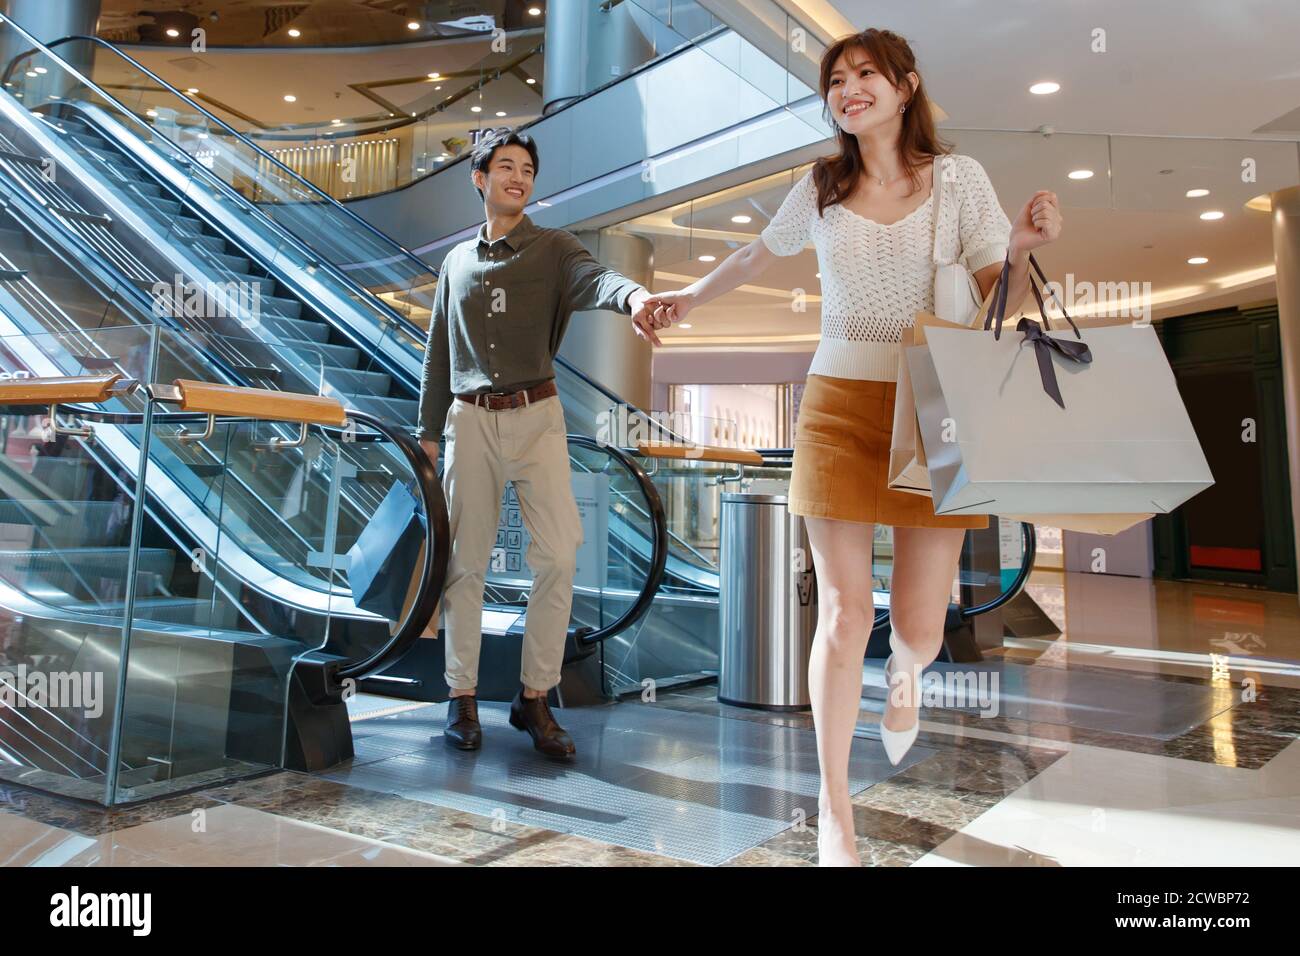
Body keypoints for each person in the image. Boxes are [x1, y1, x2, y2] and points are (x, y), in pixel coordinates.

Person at [646, 29, 1062, 863]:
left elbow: (999, 303)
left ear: (907, 86)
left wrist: (1019, 250)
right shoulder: (822, 185)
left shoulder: (960, 180)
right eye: (836, 80)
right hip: (836, 402)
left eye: (865, 74)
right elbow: (759, 252)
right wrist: (689, 296)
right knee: (843, 613)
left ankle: (906, 676)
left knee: (919, 625)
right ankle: (834, 809)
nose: (848, 89)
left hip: (935, 405)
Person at [415, 128, 668, 759]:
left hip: (538, 415)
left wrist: (635, 297)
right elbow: (438, 355)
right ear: (480, 178)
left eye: (527, 168)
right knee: (465, 563)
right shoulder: (456, 263)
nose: (518, 177)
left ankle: (533, 698)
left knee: (558, 555)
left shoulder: (554, 248)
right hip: (469, 420)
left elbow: (596, 277)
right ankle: (461, 696)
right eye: (505, 166)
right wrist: (427, 435)